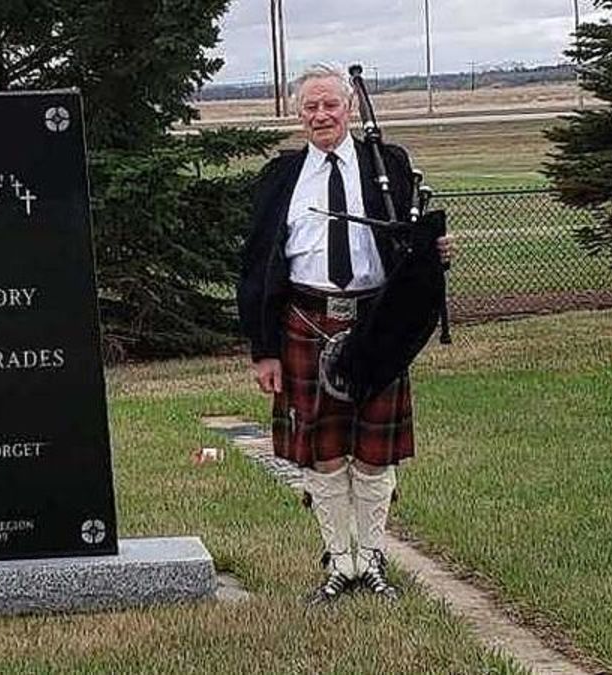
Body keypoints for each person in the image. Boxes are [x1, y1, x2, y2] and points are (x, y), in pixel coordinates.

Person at [237, 64, 453, 603]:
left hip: (376, 322)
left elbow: (411, 240)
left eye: (330, 104)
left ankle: (372, 558)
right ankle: (340, 561)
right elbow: (257, 263)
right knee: (323, 451)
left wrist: (435, 255)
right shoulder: (280, 177)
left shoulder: (388, 164)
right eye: (310, 106)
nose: (320, 115)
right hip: (305, 322)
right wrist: (264, 351)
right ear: (297, 113)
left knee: (375, 453)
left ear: (350, 108)